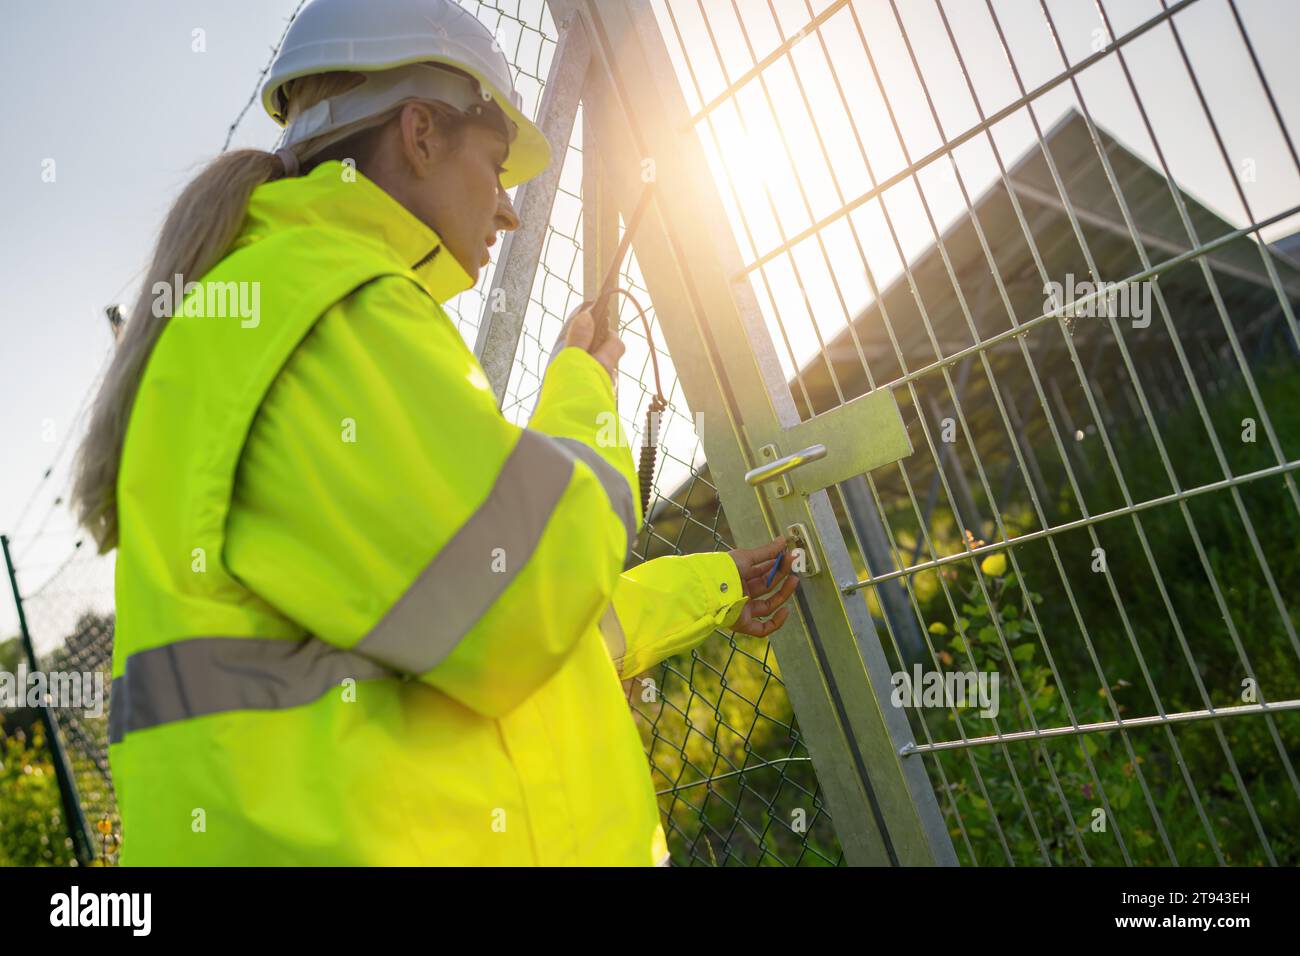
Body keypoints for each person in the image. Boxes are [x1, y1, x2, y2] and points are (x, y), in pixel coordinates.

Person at [71, 0, 799, 866]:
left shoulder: (275, 303)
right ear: (420, 134)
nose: (508, 211)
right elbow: (528, 601)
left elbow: (494, 624)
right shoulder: (322, 311)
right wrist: (584, 390)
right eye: (495, 167)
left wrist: (717, 584)